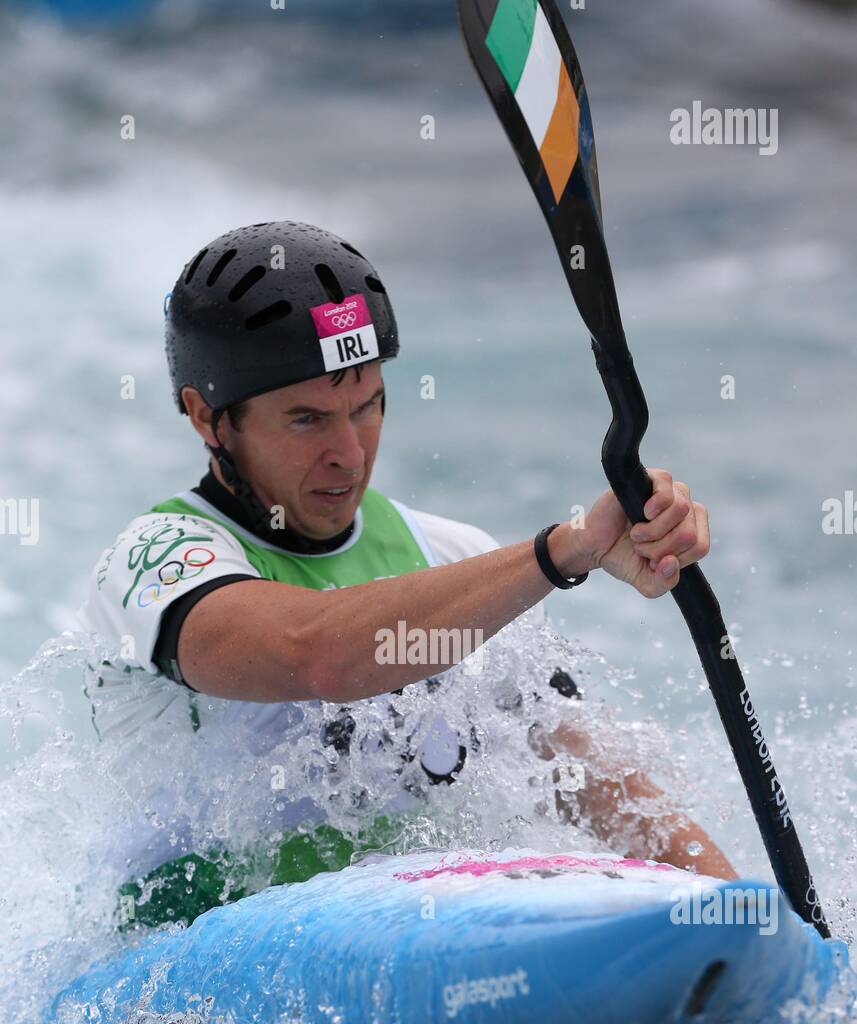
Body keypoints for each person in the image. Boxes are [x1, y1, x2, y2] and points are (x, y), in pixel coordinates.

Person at [79, 220, 735, 925]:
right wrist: (559, 553)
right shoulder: (155, 563)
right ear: (207, 417)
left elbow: (584, 770)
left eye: (366, 408)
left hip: (401, 930)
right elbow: (315, 654)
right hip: (175, 959)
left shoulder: (449, 553)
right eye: (306, 420)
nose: (348, 453)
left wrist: (742, 919)